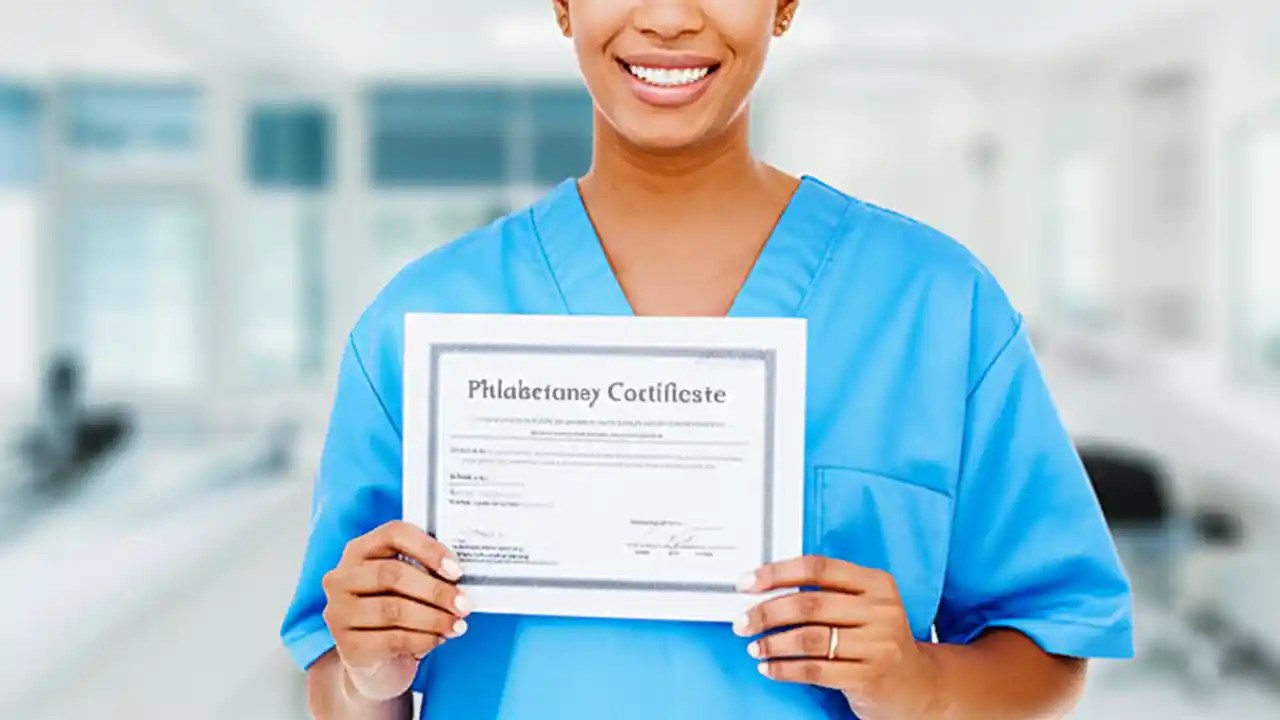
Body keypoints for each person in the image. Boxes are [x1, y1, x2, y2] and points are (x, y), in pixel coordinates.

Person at [280, 1, 1134, 718]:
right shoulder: (425, 318)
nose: (669, 17)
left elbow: (1051, 640)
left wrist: (923, 685)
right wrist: (369, 675)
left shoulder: (935, 306)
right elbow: (338, 678)